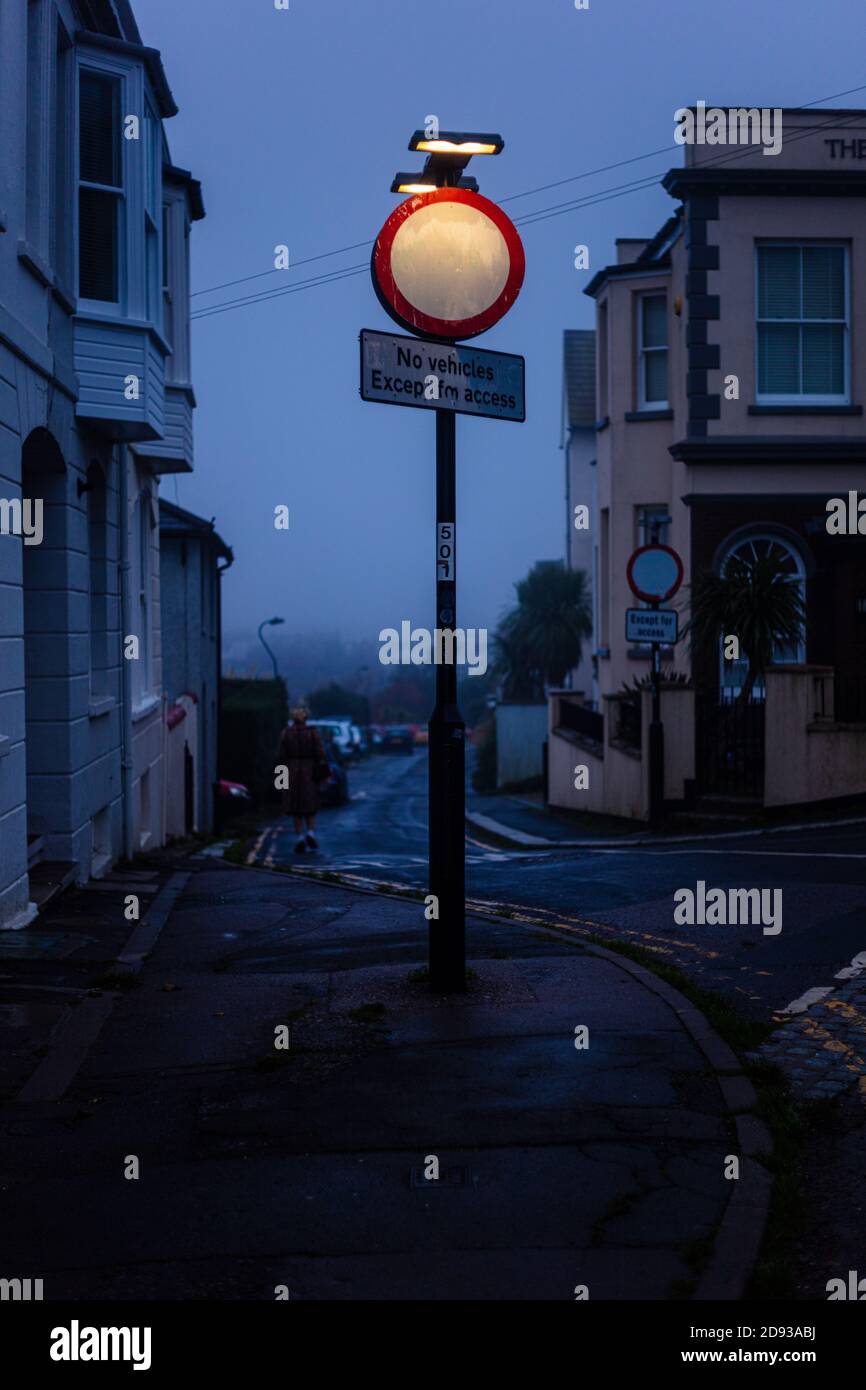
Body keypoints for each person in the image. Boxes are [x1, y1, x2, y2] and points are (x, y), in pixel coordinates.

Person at [277, 706, 328, 853]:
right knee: (310, 806)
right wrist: (324, 777)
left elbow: (280, 757)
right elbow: (321, 754)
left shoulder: (286, 733)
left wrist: (280, 782)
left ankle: (299, 837)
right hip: (309, 771)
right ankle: (310, 833)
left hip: (291, 771)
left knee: (295, 808)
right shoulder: (312, 733)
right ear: (306, 718)